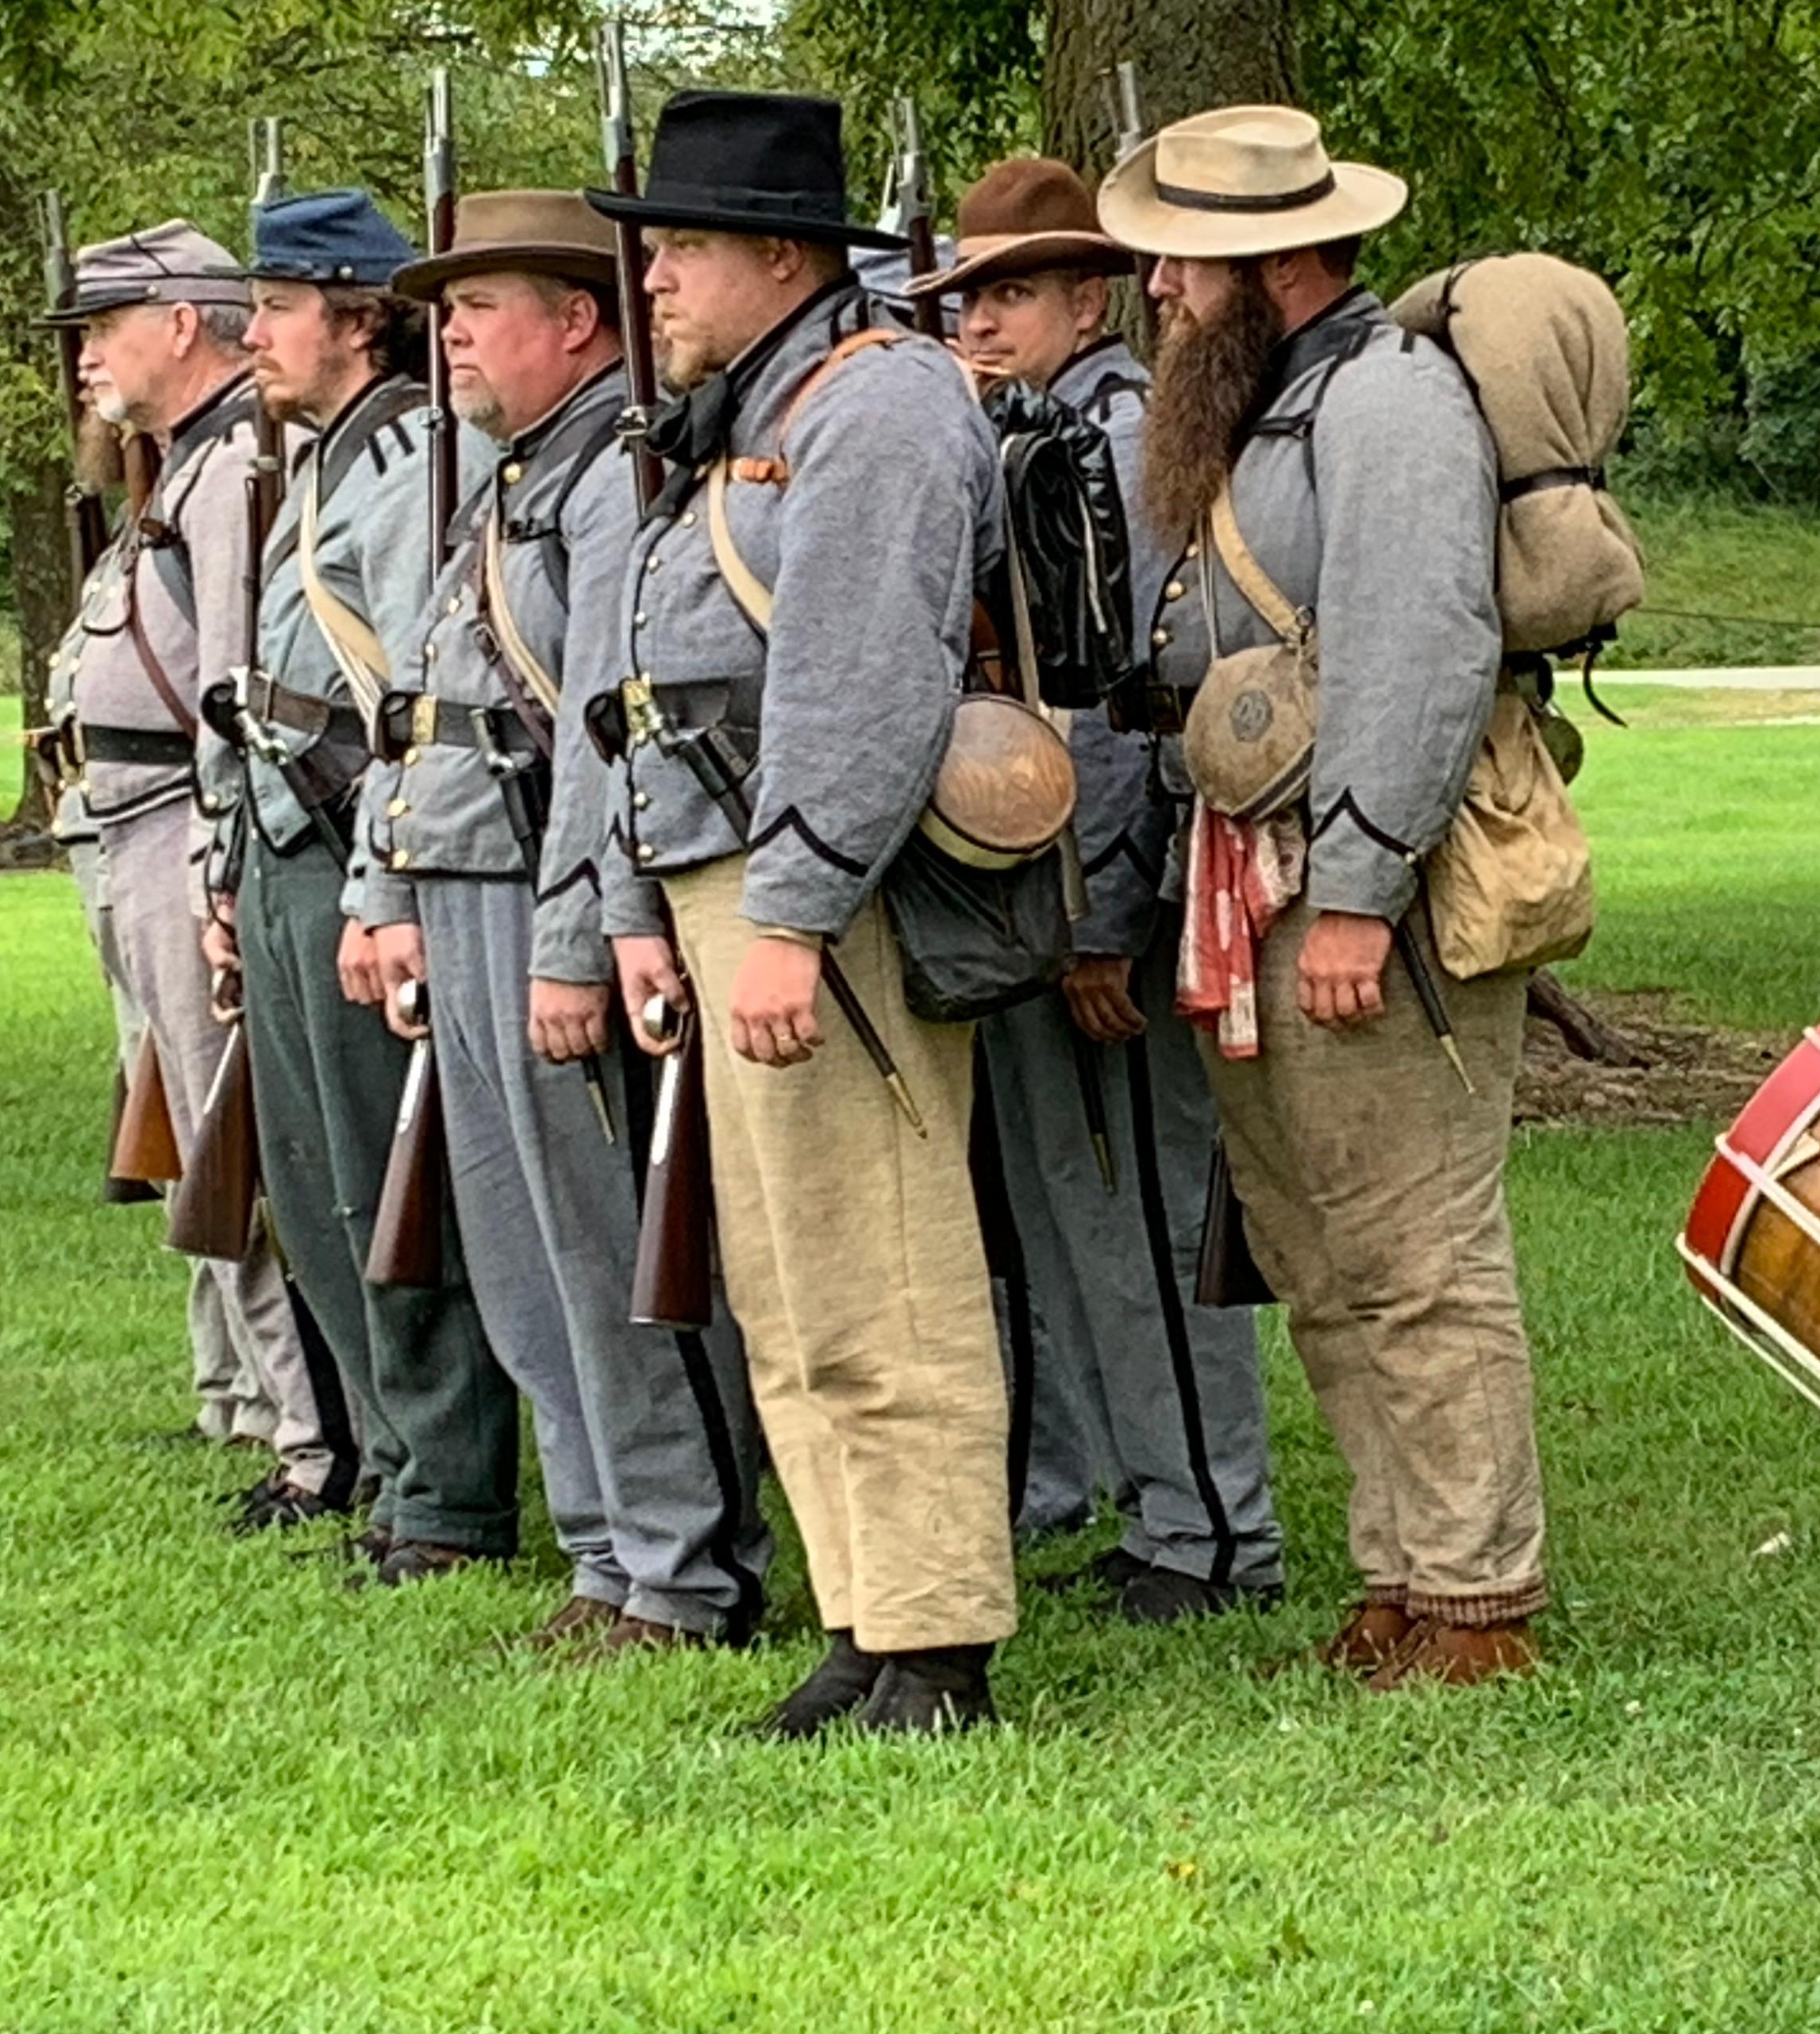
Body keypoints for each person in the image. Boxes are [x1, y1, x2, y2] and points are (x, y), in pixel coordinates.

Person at [584, 90, 1016, 1736]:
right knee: (792, 1273)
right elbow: (648, 679)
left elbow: (858, 679)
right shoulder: (750, 407)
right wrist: (643, 897)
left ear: (782, 255)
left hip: (825, 899)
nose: (658, 287)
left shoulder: (878, 405)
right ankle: (864, 1611)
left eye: (684, 250)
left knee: (882, 1258)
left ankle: (933, 1641)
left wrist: (794, 907)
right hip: (733, 880)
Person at [1098, 106, 1546, 1687]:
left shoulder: (1388, 400)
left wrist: (1358, 891)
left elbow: (1423, 651)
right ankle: (1401, 1576)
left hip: (1353, 894)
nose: (1156, 288)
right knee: (1323, 1260)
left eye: (1184, 262)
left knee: (1416, 1249)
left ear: (1277, 258)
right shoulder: (1278, 407)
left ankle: (1479, 1596)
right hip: (1249, 880)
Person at [356, 189, 775, 1651]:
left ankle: (685, 1563)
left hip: (554, 894)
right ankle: (603, 1545)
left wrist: (572, 943)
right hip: (462, 874)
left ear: (575, 322)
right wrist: (388, 884)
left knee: (612, 1257)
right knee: (527, 1261)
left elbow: (606, 729)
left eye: (479, 307)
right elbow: (424, 699)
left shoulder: (611, 478)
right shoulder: (506, 475)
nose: (449, 333)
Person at [903, 155, 1285, 1623]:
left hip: (1093, 886)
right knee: (1072, 1224)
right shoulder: (1032, 432)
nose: (981, 323)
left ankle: (1215, 1533)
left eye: (1010, 293)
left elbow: (1119, 709)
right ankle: (1155, 1503)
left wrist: (1101, 918)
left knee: (1137, 1217)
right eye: (971, 298)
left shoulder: (1120, 441)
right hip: (1030, 883)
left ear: (1088, 296)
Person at [213, 187, 516, 1561]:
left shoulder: (410, 463)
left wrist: (380, 881)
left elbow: (415, 682)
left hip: (351, 843)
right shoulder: (326, 457)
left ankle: (447, 1487)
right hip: (280, 838)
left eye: (277, 308)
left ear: (354, 319)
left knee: (392, 1184)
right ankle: (394, 1468)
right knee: (320, 1181)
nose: (253, 332)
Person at [52, 222, 337, 1505]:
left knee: (232, 1138)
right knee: (192, 1126)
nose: (85, 361)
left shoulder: (231, 473)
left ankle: (307, 1437)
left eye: (104, 328)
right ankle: (257, 1405)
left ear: (180, 323)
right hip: (134, 819)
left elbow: (234, 682)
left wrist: (219, 857)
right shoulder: (183, 467)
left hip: (184, 820)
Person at [43, 393, 276, 1456]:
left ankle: (283, 1410)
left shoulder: (215, 488)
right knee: (168, 1118)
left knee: (211, 1122)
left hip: (172, 820)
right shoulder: (146, 517)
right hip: (113, 827)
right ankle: (229, 1387)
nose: (87, 379)